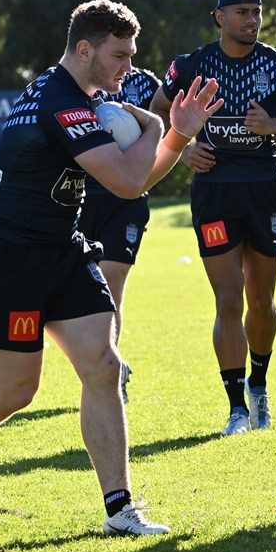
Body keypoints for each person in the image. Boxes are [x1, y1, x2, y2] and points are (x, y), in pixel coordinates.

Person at [0, 0, 223, 535]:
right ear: (84, 50)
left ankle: (120, 510)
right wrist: (157, 125)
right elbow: (128, 182)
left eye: (131, 55)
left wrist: (179, 135)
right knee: (16, 389)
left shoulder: (83, 98)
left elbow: (134, 181)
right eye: (120, 56)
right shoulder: (61, 104)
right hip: (10, 259)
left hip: (63, 250)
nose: (128, 67)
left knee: (103, 365)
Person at [151, 0, 276, 436]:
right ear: (220, 16)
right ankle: (236, 408)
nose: (252, 20)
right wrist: (184, 149)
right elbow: (155, 113)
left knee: (261, 301)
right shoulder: (192, 65)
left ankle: (259, 385)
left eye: (257, 12)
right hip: (214, 191)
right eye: (242, 12)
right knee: (228, 297)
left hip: (262, 188)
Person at [77, 67, 162, 403]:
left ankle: (109, 368)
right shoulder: (79, 80)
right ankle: (100, 365)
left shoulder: (147, 83)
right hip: (82, 194)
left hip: (127, 198)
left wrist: (182, 148)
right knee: (81, 287)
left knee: (111, 283)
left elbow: (167, 130)